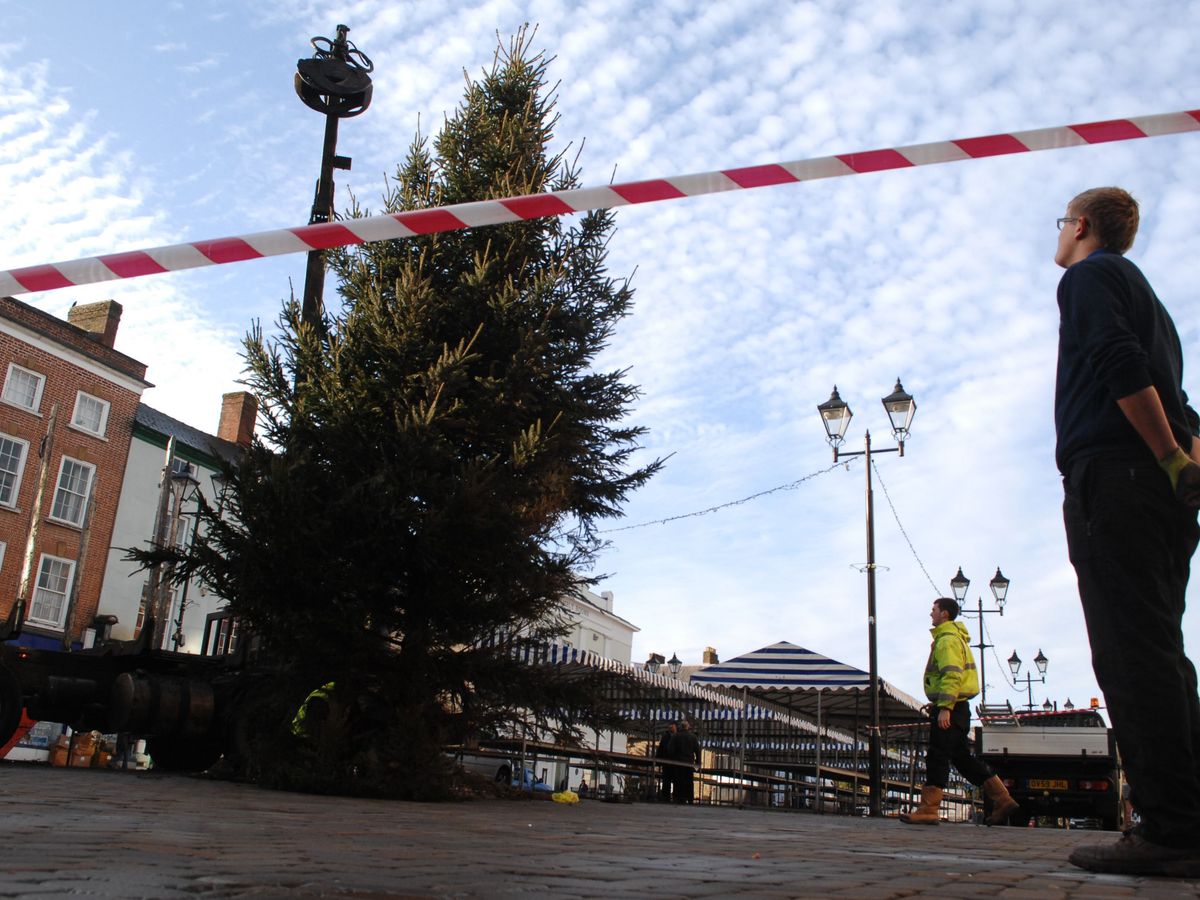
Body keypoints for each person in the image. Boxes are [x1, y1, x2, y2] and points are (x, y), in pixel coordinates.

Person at [1053, 187, 1200, 876]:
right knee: (1164, 655)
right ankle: (1186, 817)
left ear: (1081, 226)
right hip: (1163, 493)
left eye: (1063, 223)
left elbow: (1116, 361)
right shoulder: (1156, 308)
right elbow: (1183, 404)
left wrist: (1169, 458)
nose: (1059, 236)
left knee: (1129, 656)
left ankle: (1169, 829)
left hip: (1117, 479)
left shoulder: (1088, 276)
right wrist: (1185, 467)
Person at [899, 598, 1019, 826]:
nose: (930, 613)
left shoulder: (947, 640)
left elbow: (952, 674)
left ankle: (929, 809)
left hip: (952, 707)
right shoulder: (955, 638)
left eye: (933, 609)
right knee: (961, 758)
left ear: (944, 614)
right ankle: (1002, 798)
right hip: (959, 707)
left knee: (938, 755)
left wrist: (945, 707)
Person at [670, 719, 702, 805]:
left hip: (678, 762)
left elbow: (671, 750)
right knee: (688, 781)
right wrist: (698, 762)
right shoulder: (693, 737)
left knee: (678, 780)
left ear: (681, 727)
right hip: (689, 763)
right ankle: (689, 798)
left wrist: (672, 760)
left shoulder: (675, 736)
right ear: (688, 727)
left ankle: (678, 797)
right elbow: (697, 751)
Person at [656, 722, 677, 802]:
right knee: (667, 780)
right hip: (667, 761)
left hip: (674, 762)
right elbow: (661, 748)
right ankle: (666, 797)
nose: (670, 727)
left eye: (672, 726)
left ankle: (673, 797)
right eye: (669, 726)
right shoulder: (665, 737)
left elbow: (661, 748)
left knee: (674, 780)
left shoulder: (676, 736)